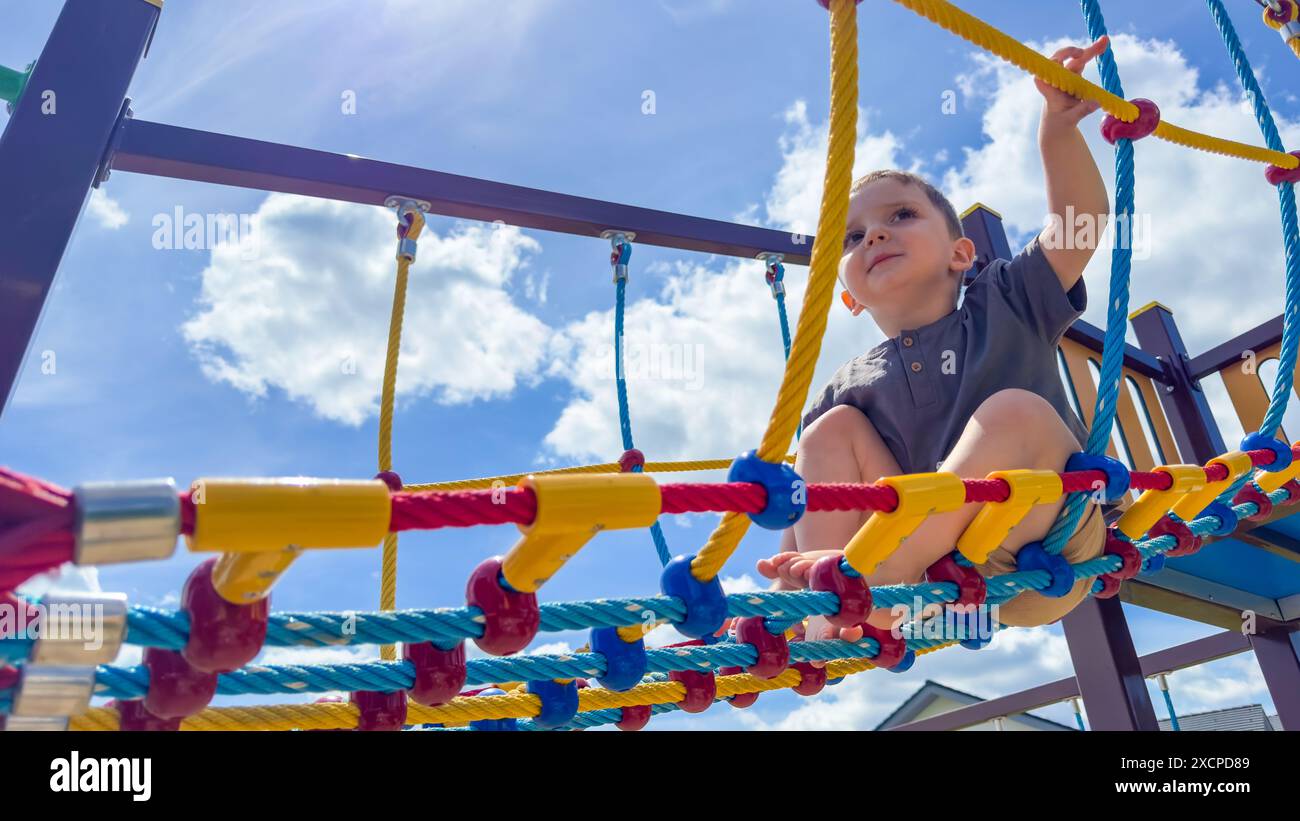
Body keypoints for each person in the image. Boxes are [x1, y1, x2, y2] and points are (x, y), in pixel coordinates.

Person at [757, 36, 1114, 645]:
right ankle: (828, 607)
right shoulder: (849, 388)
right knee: (825, 433)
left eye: (900, 216)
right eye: (852, 237)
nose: (873, 236)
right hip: (939, 581)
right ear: (848, 296)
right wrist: (782, 594)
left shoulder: (1006, 298)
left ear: (961, 253)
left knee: (1015, 414)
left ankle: (863, 585)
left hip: (1041, 547)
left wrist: (1057, 129)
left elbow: (1081, 227)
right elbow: (806, 500)